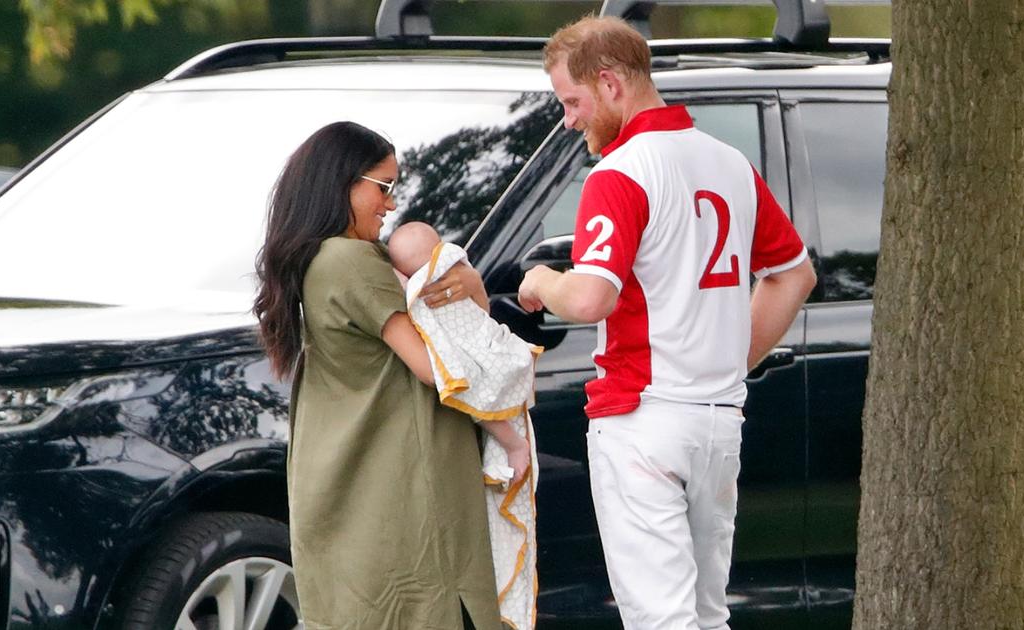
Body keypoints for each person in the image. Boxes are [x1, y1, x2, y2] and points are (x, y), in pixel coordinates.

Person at [518, 16, 818, 630]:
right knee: (707, 615)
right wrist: (731, 358)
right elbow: (794, 274)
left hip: (642, 418)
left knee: (662, 619)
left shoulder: (620, 171)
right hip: (718, 420)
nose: (570, 120)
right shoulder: (729, 161)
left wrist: (541, 282)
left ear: (609, 84)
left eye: (572, 103)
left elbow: (591, 298)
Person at [253, 121, 501, 630]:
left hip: (353, 495)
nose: (390, 205)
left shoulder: (318, 260)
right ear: (342, 181)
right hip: (398, 498)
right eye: (383, 187)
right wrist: (471, 289)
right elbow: (438, 368)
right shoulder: (351, 260)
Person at [389, 220, 540, 630]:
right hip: (473, 381)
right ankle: (513, 446)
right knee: (485, 397)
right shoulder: (427, 277)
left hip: (478, 369)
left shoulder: (445, 276)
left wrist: (471, 284)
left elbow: (477, 319)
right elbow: (443, 363)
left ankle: (512, 447)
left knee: (484, 395)